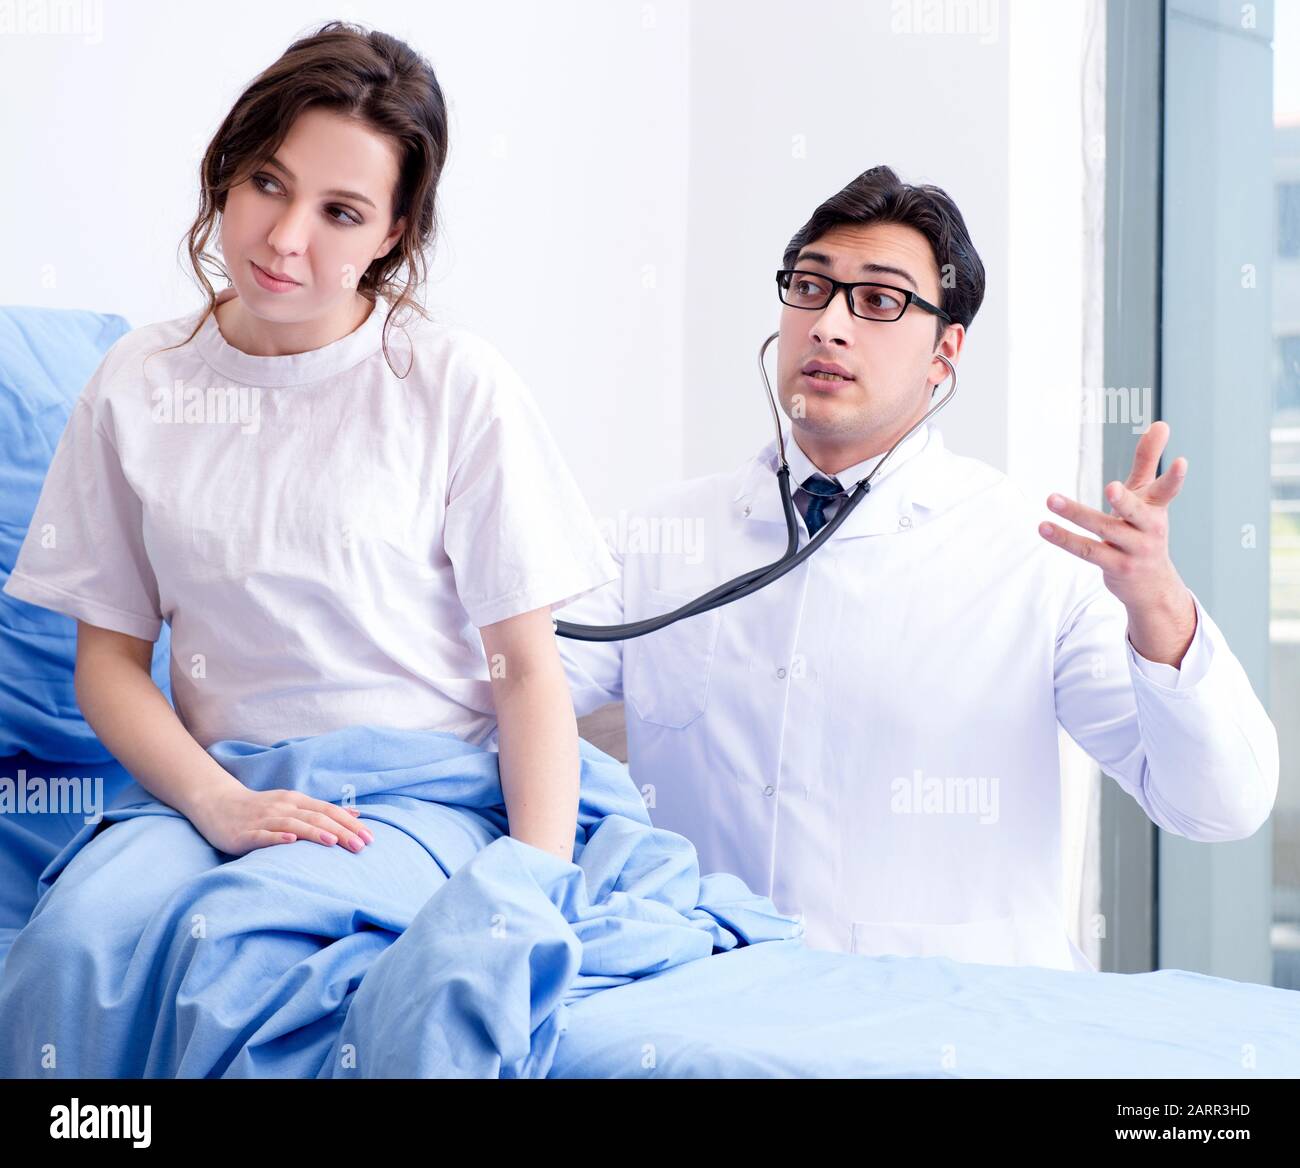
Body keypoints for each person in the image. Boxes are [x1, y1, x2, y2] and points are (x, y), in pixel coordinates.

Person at [557, 164, 1280, 972]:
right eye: (810, 287)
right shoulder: (665, 534)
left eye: (878, 300)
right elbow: (509, 691)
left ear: (944, 353)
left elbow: (1220, 806)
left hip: (962, 1032)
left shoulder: (1034, 555)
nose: (830, 324)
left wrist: (1159, 606)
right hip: (716, 1020)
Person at [2, 21, 616, 865]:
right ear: (228, 171)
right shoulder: (137, 380)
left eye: (340, 212)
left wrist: (532, 884)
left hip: (426, 791)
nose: (286, 239)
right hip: (218, 791)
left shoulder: (453, 384)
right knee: (77, 950)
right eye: (267, 183)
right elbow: (108, 660)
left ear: (393, 233)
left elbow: (527, 667)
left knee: (264, 957)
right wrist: (220, 804)